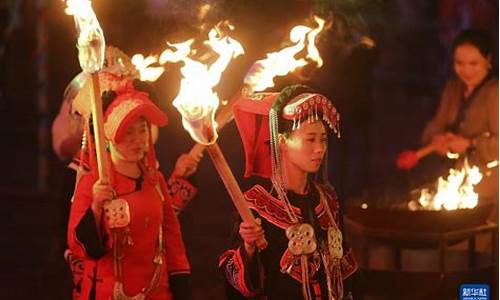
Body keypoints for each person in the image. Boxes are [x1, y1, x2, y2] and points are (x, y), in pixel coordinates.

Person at [219, 85, 359, 299]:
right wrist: (248, 248)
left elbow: (347, 275)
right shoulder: (257, 204)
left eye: (323, 139)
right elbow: (238, 284)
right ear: (282, 142)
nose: (320, 148)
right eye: (310, 139)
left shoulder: (328, 201)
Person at [67, 84, 193, 299]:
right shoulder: (93, 184)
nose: (138, 139)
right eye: (128, 132)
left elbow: (173, 240)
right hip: (108, 292)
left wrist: (181, 288)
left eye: (142, 129)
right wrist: (97, 205)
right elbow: (79, 248)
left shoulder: (155, 180)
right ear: (107, 137)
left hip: (157, 291)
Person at [420, 29, 498, 216]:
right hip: (455, 181)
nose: (467, 70)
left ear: (488, 60)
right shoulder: (453, 88)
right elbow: (435, 125)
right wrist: (436, 138)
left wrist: (470, 144)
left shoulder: (495, 92)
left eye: (474, 63)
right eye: (460, 63)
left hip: (489, 189)